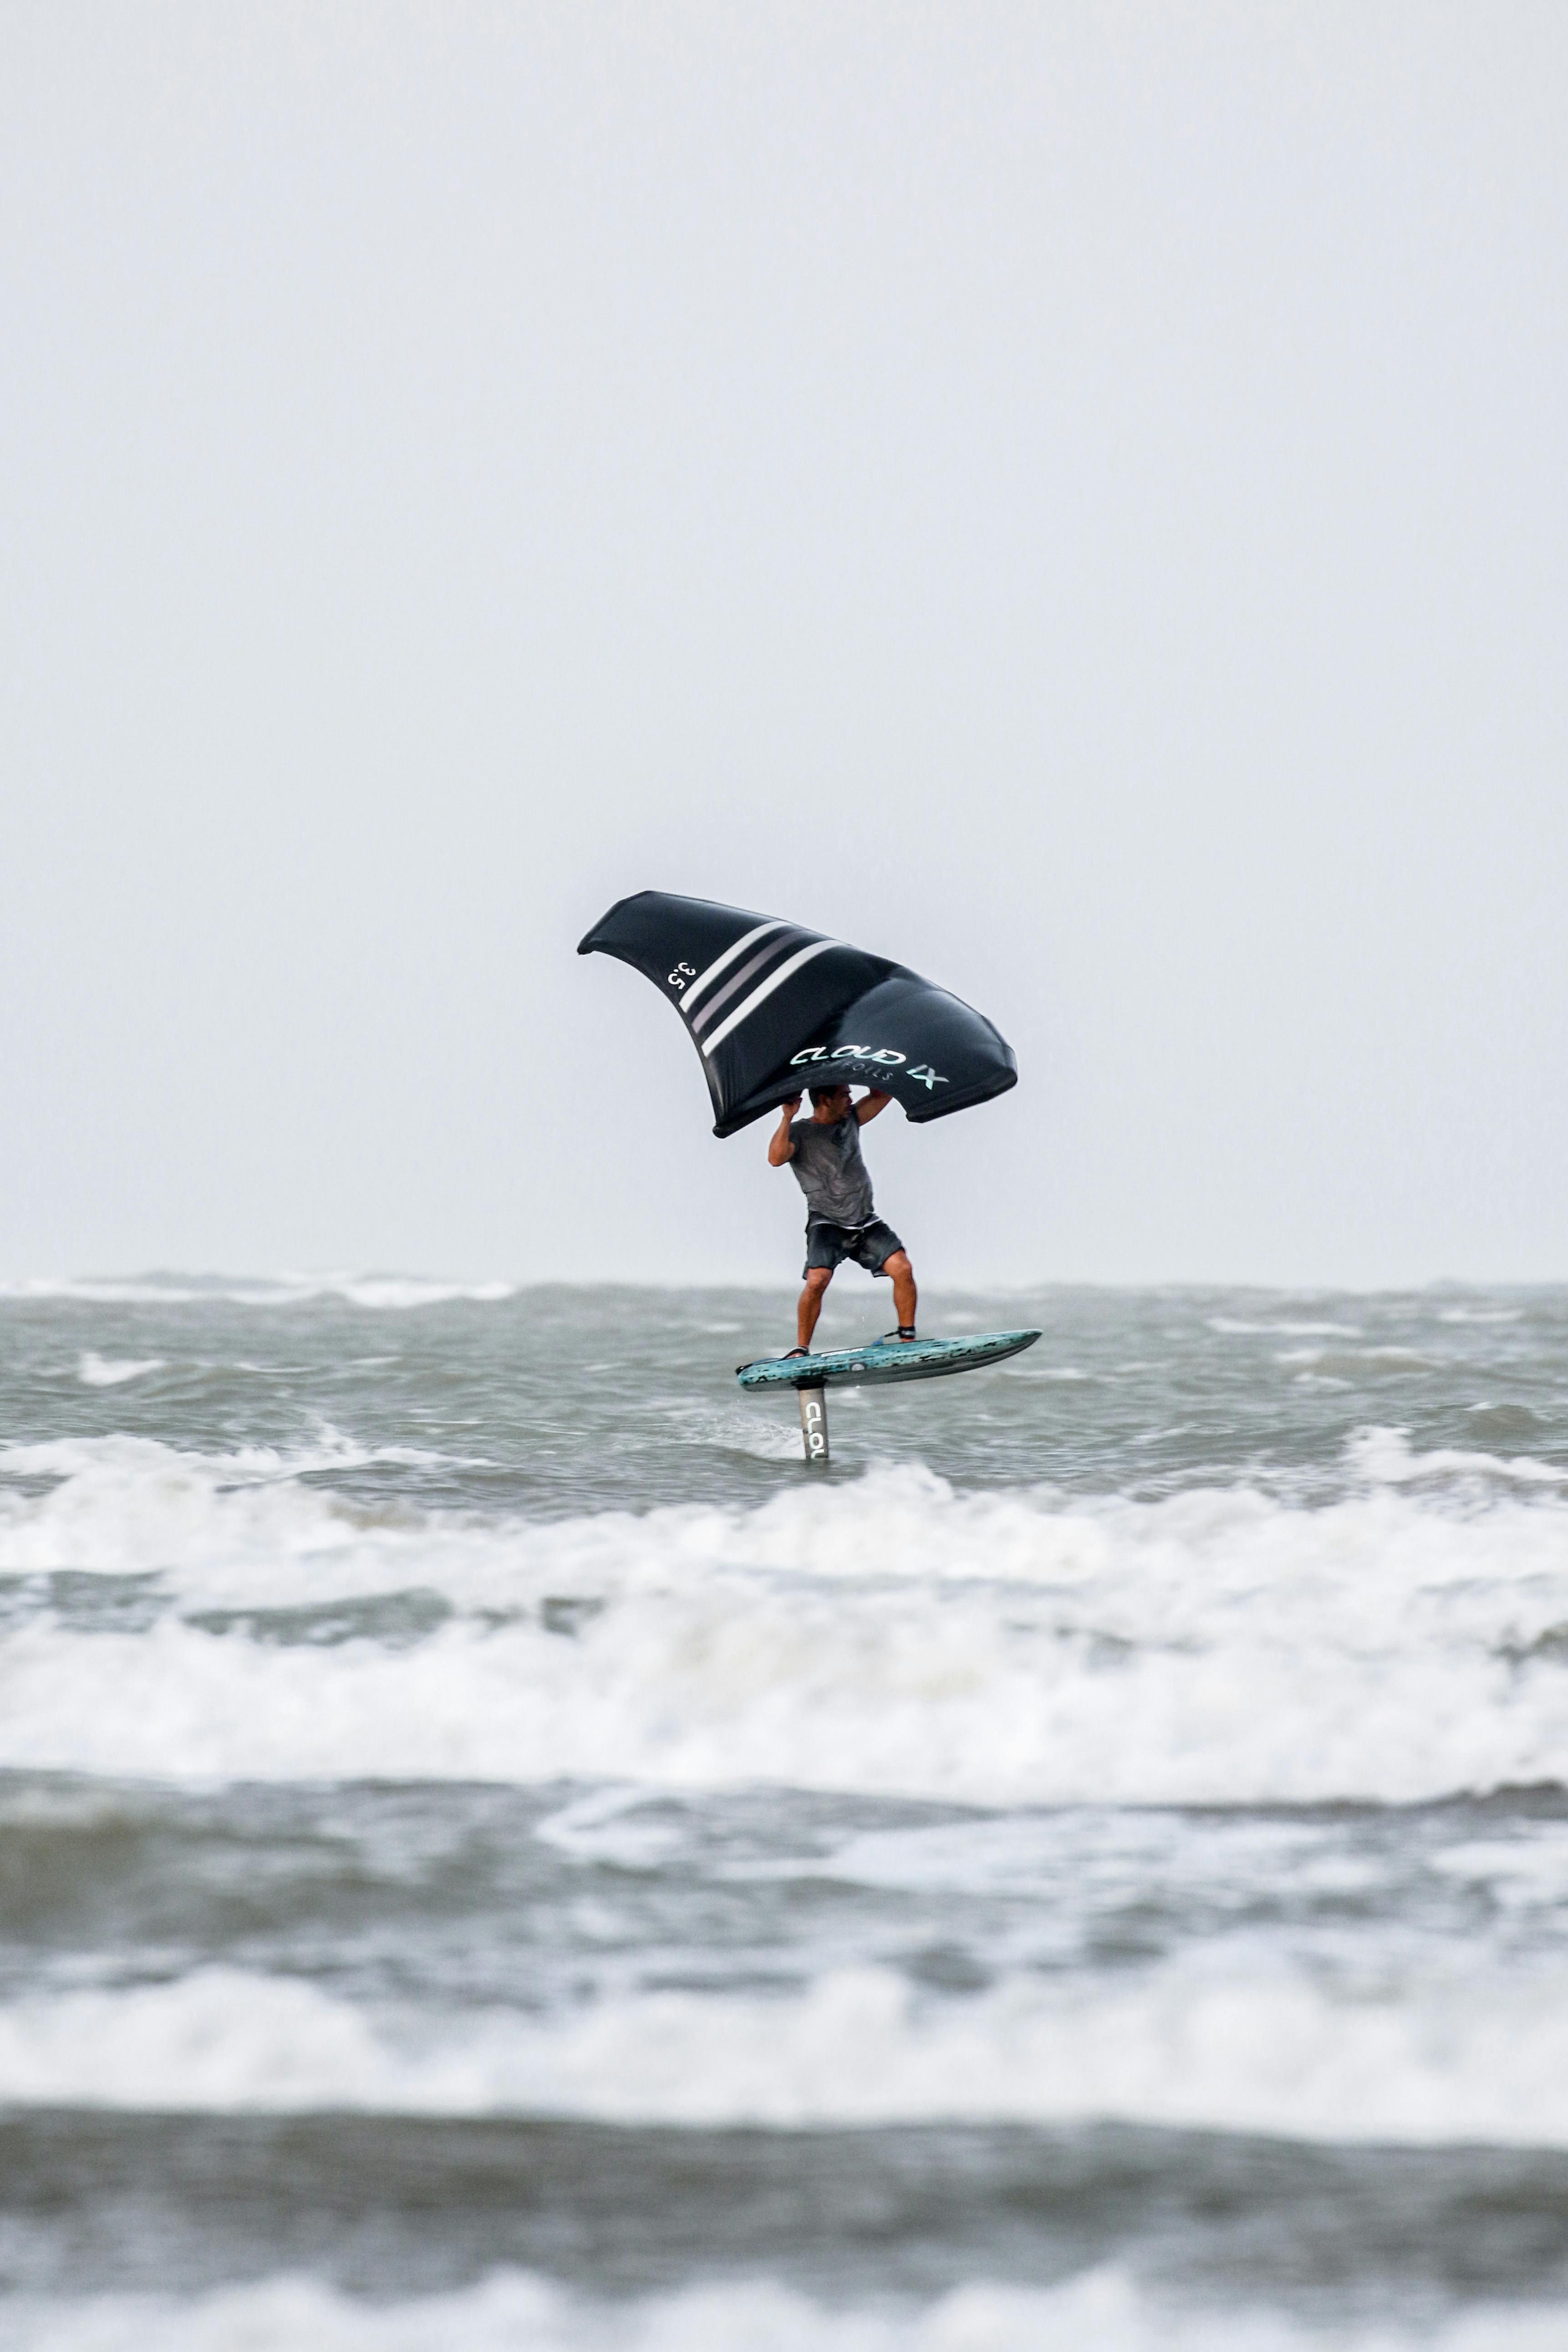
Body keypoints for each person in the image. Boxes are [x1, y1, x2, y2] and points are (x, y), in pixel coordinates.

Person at [768, 1083, 917, 1353]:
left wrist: (863, 1068)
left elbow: (882, 1094)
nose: (851, 1098)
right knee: (817, 1281)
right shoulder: (800, 1132)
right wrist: (787, 1117)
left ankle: (908, 1339)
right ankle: (801, 1348)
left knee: (903, 1269)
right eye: (844, 1094)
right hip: (827, 1222)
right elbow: (776, 1159)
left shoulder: (851, 1120)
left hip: (865, 1221)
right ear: (825, 1100)